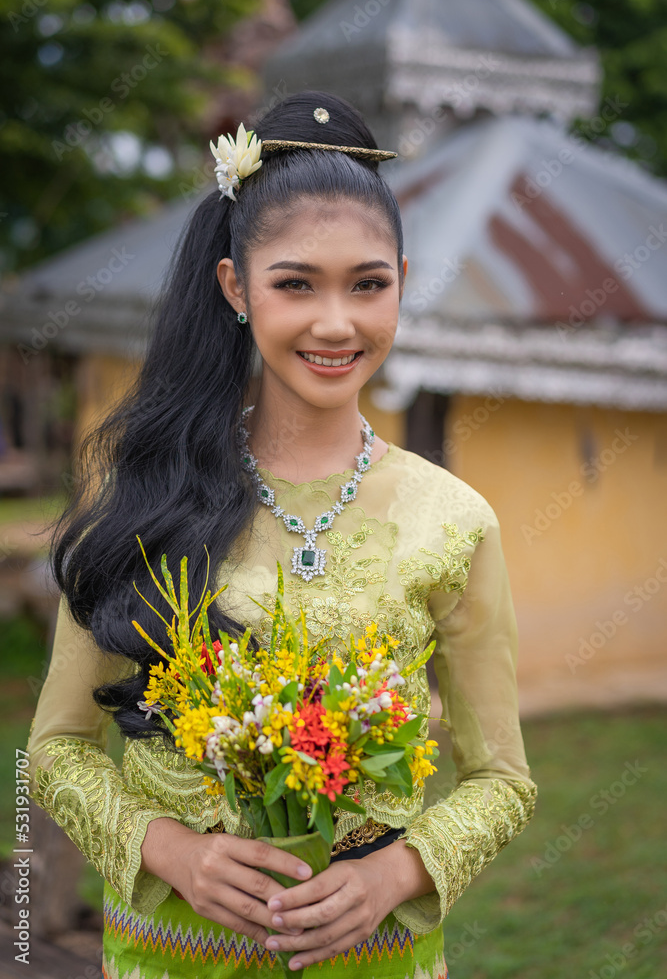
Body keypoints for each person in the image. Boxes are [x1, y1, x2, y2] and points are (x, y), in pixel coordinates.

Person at [27, 90, 537, 979]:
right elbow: (57, 751)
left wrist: (396, 871)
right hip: (170, 956)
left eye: (367, 285)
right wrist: (168, 851)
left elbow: (501, 781)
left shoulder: (452, 520)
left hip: (375, 959)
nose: (335, 323)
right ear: (235, 286)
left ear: (401, 288)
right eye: (294, 283)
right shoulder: (145, 494)